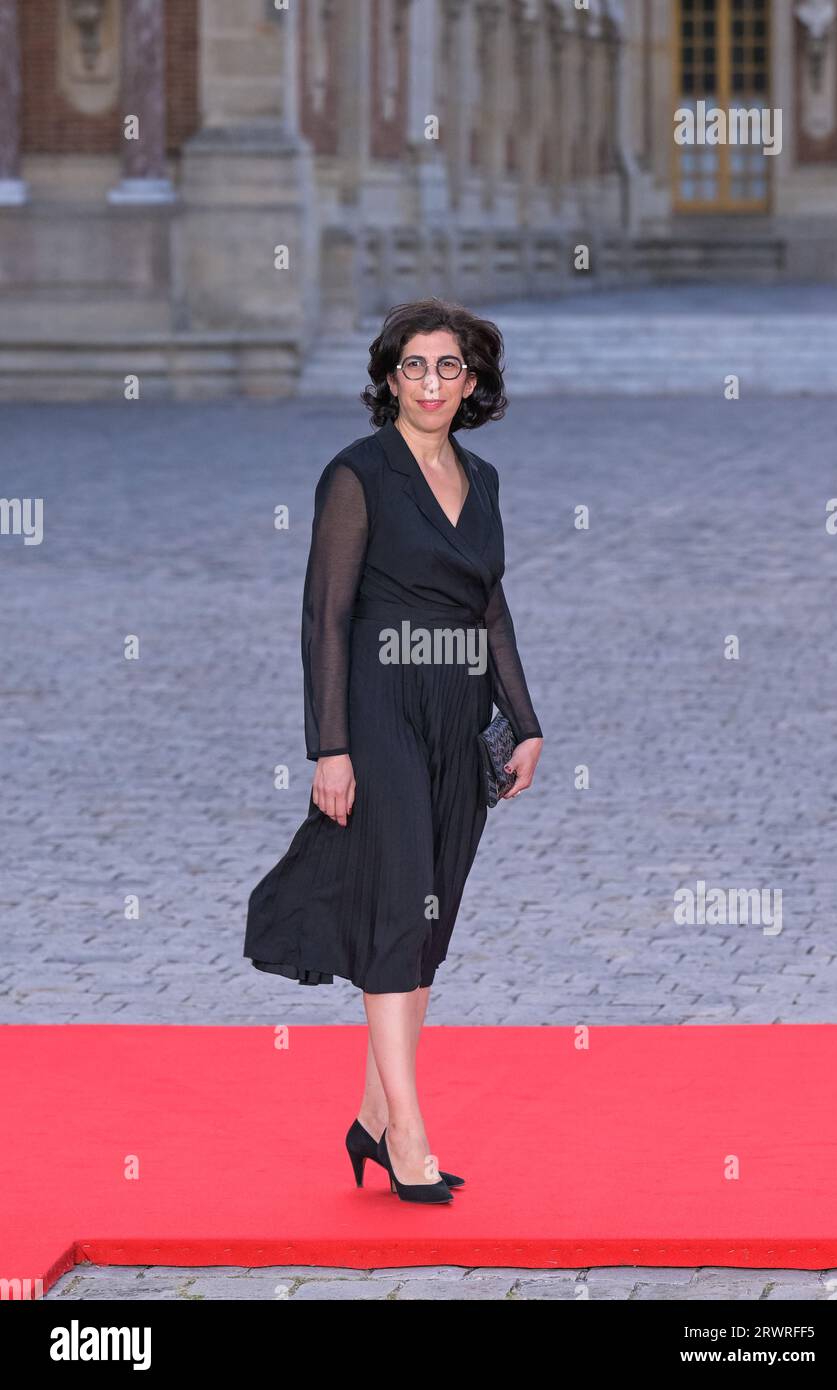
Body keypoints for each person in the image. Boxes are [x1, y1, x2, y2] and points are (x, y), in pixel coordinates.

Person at [244, 297, 543, 1203]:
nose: (429, 383)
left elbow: (488, 606)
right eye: (412, 366)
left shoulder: (481, 477)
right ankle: (410, 1134)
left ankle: (371, 1118)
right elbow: (324, 618)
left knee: (431, 918)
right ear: (387, 379)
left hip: (457, 711)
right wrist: (329, 747)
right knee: (395, 907)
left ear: (473, 382)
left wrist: (523, 721)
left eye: (447, 367)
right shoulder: (356, 475)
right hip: (378, 706)